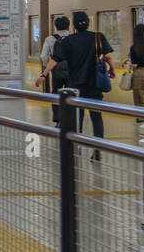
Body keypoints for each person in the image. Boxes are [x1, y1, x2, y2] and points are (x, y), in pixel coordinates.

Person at [36, 10, 114, 161]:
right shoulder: (98, 37)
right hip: (94, 86)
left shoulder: (68, 41)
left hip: (75, 88)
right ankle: (97, 150)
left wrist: (43, 75)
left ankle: (75, 148)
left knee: (76, 119)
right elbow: (108, 56)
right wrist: (112, 69)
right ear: (88, 23)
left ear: (74, 25)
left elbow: (55, 59)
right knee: (96, 117)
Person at [39, 16, 71, 122]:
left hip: (56, 70)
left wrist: (47, 66)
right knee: (70, 94)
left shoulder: (50, 39)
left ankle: (57, 118)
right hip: (71, 71)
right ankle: (68, 119)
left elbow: (43, 56)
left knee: (56, 93)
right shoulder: (72, 38)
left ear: (55, 27)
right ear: (68, 26)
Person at [128, 24, 144, 115]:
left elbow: (135, 63)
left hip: (140, 73)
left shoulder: (134, 47)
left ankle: (143, 121)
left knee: (141, 100)